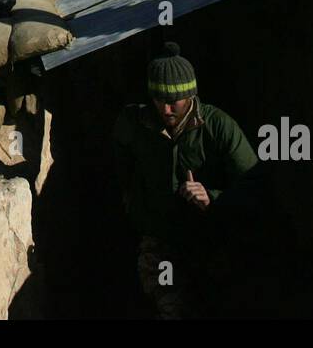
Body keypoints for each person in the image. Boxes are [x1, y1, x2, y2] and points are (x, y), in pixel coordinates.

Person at [111, 42, 263, 317]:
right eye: (159, 100)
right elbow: (119, 165)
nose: (166, 108)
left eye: (174, 101)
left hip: (212, 234)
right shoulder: (134, 123)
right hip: (161, 238)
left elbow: (254, 187)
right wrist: (134, 203)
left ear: (190, 95)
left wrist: (212, 198)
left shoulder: (218, 126)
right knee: (170, 305)